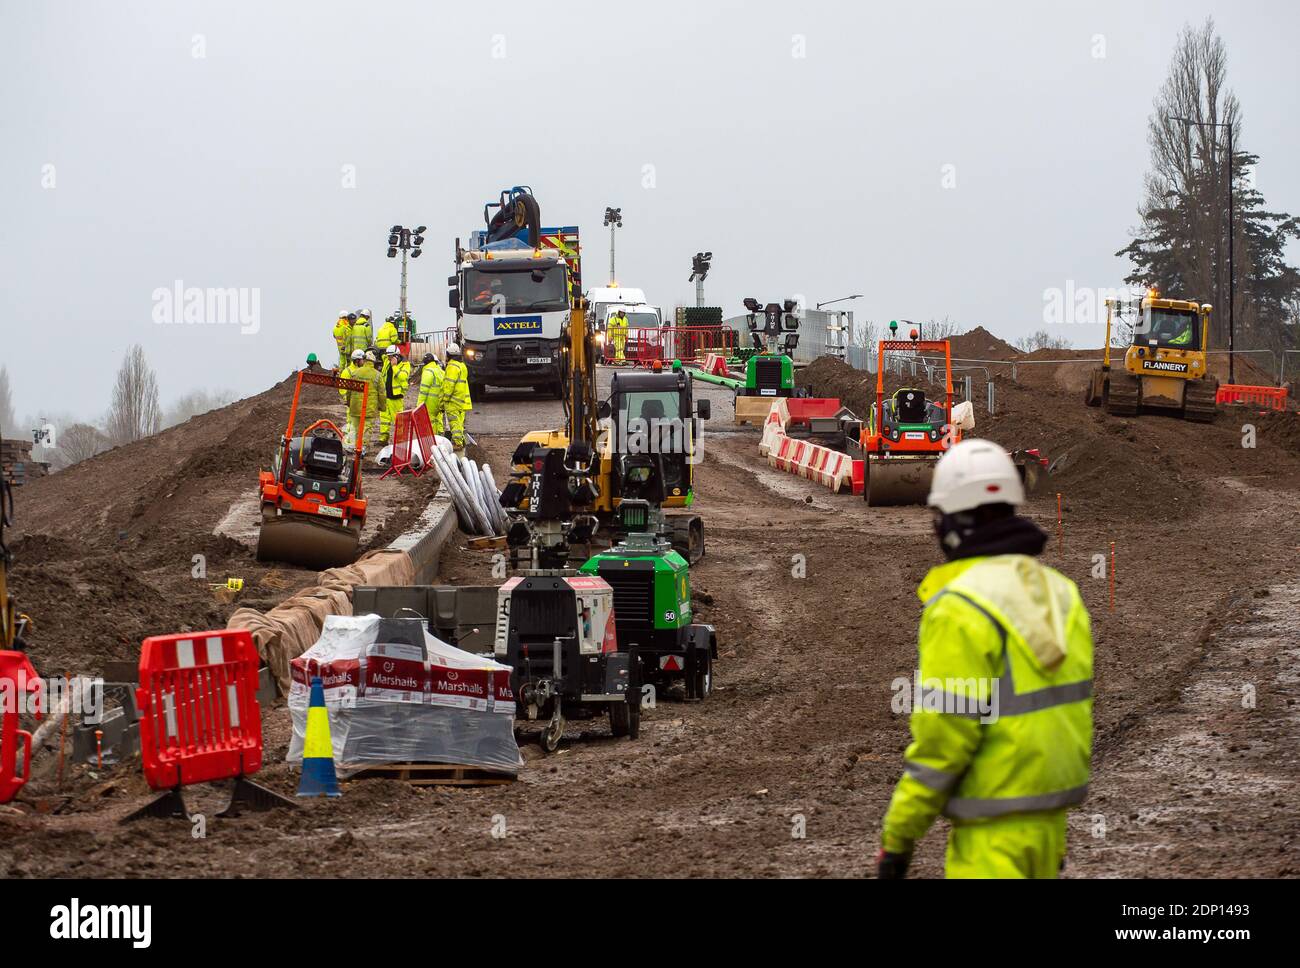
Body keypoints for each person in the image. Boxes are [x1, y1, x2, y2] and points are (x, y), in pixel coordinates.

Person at [877, 439, 1093, 880]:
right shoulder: (1061, 592)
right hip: (1050, 827)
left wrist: (898, 839)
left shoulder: (959, 607)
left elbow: (943, 741)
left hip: (992, 836)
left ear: (956, 523)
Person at [338, 349, 381, 450]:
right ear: (357, 361)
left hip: (359, 403)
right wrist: (347, 400)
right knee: (352, 426)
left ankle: (356, 446)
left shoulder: (359, 371)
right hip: (352, 404)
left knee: (358, 426)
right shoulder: (347, 371)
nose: (364, 361)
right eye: (362, 360)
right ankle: (350, 446)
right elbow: (343, 389)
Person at [435, 342, 473, 454]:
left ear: (449, 354)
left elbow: (448, 386)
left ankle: (458, 443)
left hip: (452, 401)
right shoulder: (462, 366)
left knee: (454, 423)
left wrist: (443, 401)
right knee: (459, 422)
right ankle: (461, 440)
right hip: (461, 400)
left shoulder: (452, 367)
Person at [378, 344, 411, 446]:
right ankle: (383, 439)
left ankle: (400, 441)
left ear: (396, 356)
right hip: (386, 396)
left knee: (398, 421)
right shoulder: (387, 362)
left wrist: (394, 366)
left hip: (396, 397)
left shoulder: (405, 365)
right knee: (384, 419)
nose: (389, 358)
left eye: (391, 356)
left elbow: (402, 377)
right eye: (388, 356)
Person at [417, 351, 444, 431]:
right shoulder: (440, 371)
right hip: (439, 400)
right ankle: (439, 434)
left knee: (430, 420)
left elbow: (423, 391)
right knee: (437, 419)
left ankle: (433, 438)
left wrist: (419, 404)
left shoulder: (428, 371)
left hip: (430, 402)